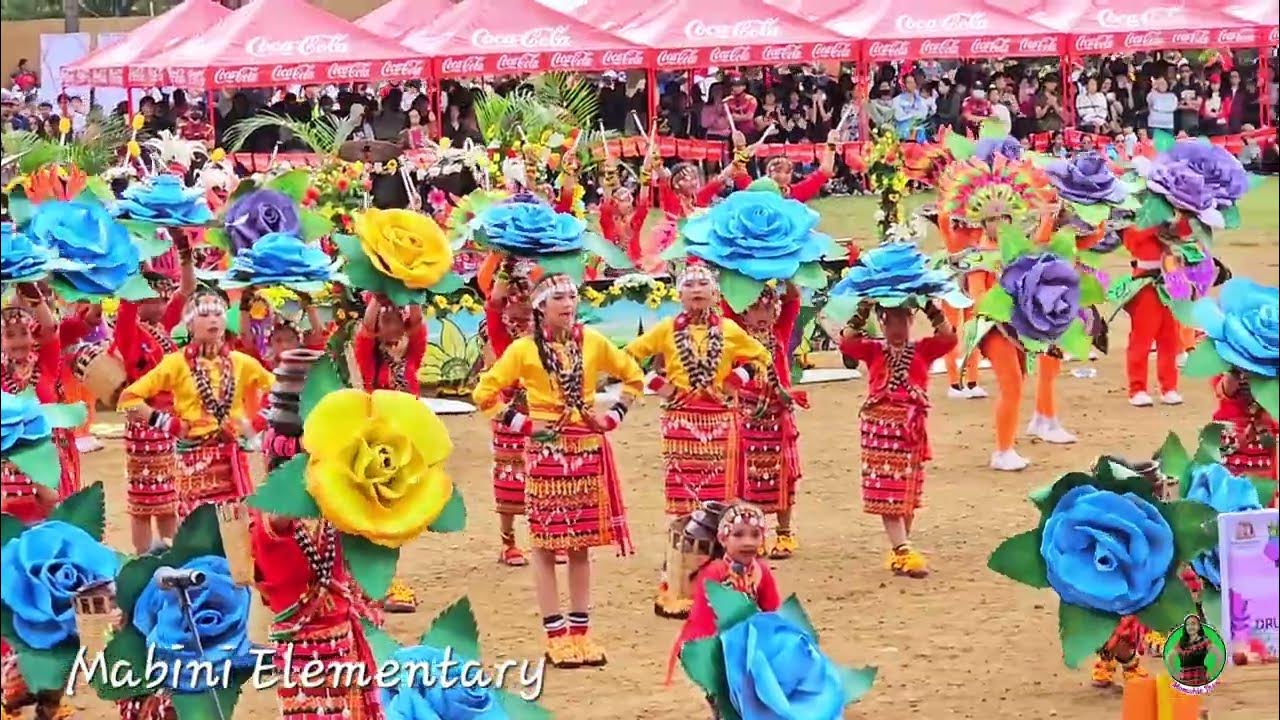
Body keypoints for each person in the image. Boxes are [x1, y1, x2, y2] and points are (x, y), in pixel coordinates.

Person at [472, 273, 643, 668]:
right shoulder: (523, 350)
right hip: (547, 456)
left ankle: (581, 632)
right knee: (547, 547)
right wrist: (525, 425)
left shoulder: (594, 343)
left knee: (581, 544)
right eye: (559, 297)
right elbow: (484, 392)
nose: (568, 303)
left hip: (585, 450)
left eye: (572, 296)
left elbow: (633, 375)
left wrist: (613, 416)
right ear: (540, 307)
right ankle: (555, 634)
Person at [626, 264, 771, 618]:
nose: (696, 289)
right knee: (681, 509)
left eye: (703, 283)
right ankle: (674, 583)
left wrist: (732, 382)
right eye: (688, 284)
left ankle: (721, 583)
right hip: (681, 425)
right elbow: (626, 357)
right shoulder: (665, 330)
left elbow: (762, 357)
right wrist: (663, 387)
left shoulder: (730, 330)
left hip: (721, 424)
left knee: (719, 506)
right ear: (678, 293)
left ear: (715, 291)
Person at [118, 288, 273, 520]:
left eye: (217, 314)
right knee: (199, 532)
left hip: (232, 460)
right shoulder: (175, 364)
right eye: (204, 314)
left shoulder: (242, 362)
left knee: (239, 535)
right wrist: (170, 424)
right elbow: (128, 399)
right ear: (189, 325)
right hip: (192, 462)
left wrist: (255, 424)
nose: (213, 319)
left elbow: (280, 390)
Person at [840, 300, 955, 577]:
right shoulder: (873, 350)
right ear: (881, 322)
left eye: (902, 320)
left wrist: (930, 306)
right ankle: (903, 549)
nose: (897, 328)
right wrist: (862, 309)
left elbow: (948, 338)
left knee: (906, 493)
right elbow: (846, 343)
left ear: (911, 321)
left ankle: (900, 550)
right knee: (887, 491)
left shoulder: (922, 349)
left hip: (910, 427)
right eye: (890, 321)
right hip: (879, 426)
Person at [252, 513, 386, 719]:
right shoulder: (271, 521)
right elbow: (277, 521)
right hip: (301, 649)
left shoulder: (333, 510)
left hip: (343, 643)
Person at [112, 243, 197, 554]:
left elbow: (187, 290)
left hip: (167, 426)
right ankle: (143, 560)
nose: (162, 301)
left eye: (163, 295)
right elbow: (127, 305)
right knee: (142, 504)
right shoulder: (130, 333)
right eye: (154, 295)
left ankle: (172, 558)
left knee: (168, 501)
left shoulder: (161, 328)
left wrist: (184, 250)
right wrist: (133, 266)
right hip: (143, 427)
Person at [350, 294, 426, 612]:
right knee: (376, 513)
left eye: (399, 321)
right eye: (389, 322)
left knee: (395, 514)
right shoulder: (370, 358)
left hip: (405, 448)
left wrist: (410, 291)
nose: (396, 329)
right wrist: (379, 295)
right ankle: (380, 583)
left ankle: (381, 580)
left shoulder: (411, 357)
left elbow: (419, 324)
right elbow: (366, 330)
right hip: (374, 448)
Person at [722, 283, 804, 559]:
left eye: (767, 307)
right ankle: (753, 533)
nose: (761, 313)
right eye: (754, 307)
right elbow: (725, 300)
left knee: (784, 473)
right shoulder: (736, 335)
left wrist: (784, 273)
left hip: (778, 413)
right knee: (745, 476)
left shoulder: (780, 332)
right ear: (743, 311)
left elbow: (793, 299)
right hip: (746, 413)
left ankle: (785, 532)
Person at [665, 502, 781, 693]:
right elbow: (705, 621)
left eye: (755, 535)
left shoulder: (762, 572)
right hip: (709, 645)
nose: (748, 542)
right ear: (722, 538)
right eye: (738, 535)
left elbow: (773, 613)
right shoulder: (714, 573)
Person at [476, 256, 539, 566]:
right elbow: (496, 299)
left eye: (529, 296)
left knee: (546, 472)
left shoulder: (545, 326)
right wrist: (506, 258)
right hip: (509, 405)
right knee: (509, 473)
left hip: (543, 403)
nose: (522, 303)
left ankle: (546, 537)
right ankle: (508, 542)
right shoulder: (500, 329)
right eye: (516, 298)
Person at [1, 286, 76, 524]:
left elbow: (51, 327)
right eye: (10, 335)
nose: (18, 341)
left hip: (49, 457)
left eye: (23, 333)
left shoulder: (45, 362)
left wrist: (32, 293)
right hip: (9, 464)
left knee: (54, 521)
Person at [1213, 370, 1277, 480]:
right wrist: (1236, 370)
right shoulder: (1229, 360)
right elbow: (1223, 390)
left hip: (1266, 433)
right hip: (1235, 434)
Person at [1176, 613, 1218, 688]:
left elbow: (1219, 655)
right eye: (1188, 624)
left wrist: (1211, 673)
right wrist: (1175, 674)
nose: (1190, 627)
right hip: (1184, 682)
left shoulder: (1205, 641)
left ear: (1199, 626)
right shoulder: (1181, 642)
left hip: (1200, 680)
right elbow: (1169, 656)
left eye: (1193, 624)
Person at [892, 75, 930, 141]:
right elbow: (898, 116)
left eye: (913, 82)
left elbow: (923, 114)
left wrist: (913, 116)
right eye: (909, 82)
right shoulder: (897, 100)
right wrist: (912, 115)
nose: (911, 85)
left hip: (918, 127)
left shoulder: (921, 100)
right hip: (903, 128)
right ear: (904, 84)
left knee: (921, 130)